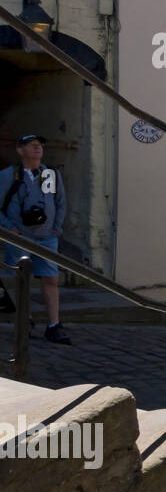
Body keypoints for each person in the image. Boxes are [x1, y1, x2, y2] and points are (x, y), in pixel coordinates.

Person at [1, 135, 70, 344]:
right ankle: (25, 320)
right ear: (20, 150)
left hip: (46, 237)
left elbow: (59, 203)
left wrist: (56, 227)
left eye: (39, 145)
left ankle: (54, 325)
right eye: (32, 145)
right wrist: (8, 227)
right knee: (20, 280)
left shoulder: (49, 174)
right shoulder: (8, 175)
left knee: (51, 279)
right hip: (20, 237)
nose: (37, 148)